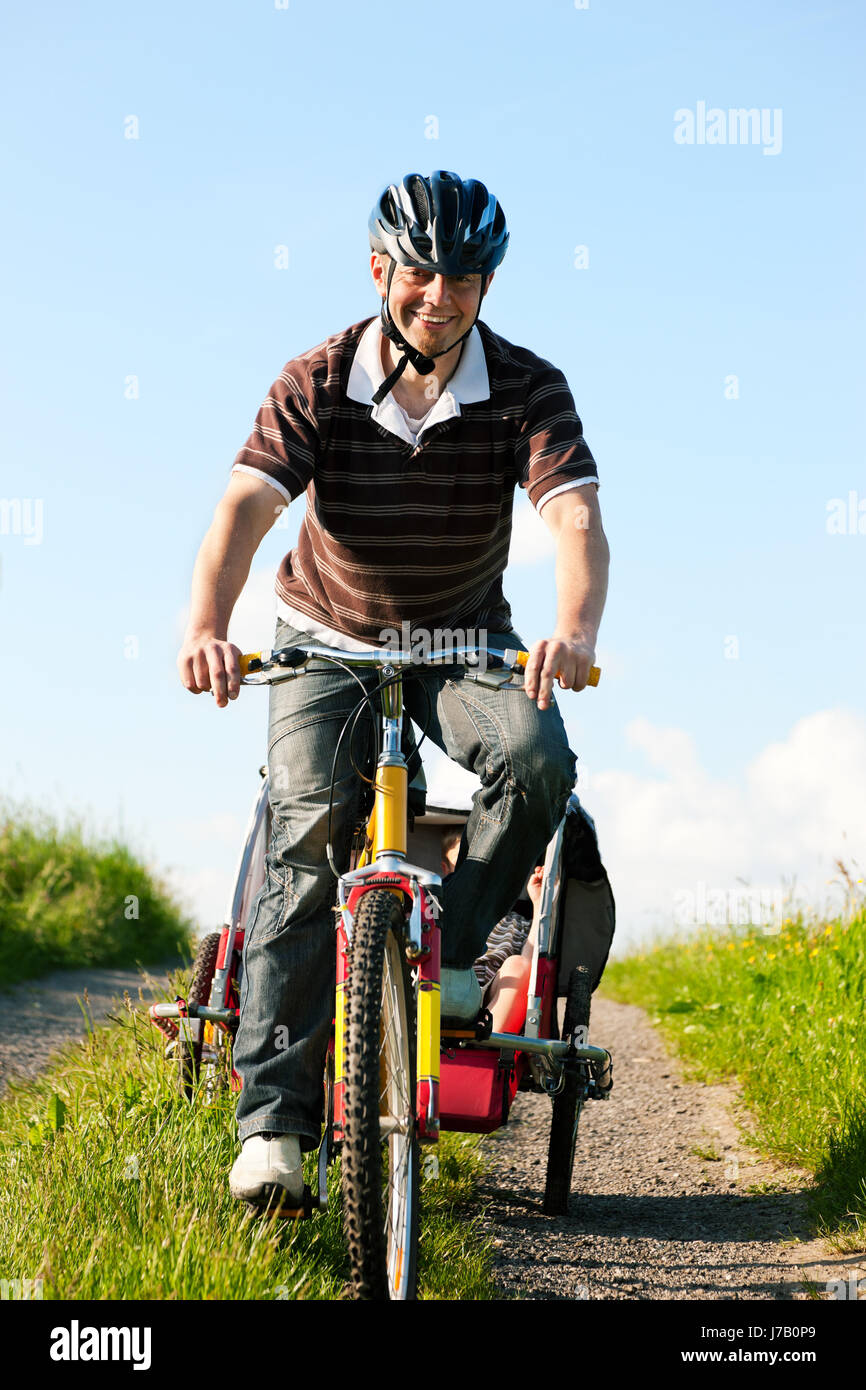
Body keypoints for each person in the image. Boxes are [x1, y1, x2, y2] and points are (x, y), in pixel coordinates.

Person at [176, 170, 610, 1208]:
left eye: (464, 275)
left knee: (536, 759)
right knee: (304, 829)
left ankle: (448, 954)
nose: (441, 293)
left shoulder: (524, 387)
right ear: (381, 271)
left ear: (485, 284)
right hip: (325, 638)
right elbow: (244, 508)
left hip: (462, 642)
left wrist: (576, 628)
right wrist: (205, 625)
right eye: (420, 270)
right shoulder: (318, 378)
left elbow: (575, 518)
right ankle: (273, 1131)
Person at [440, 827, 543, 1034]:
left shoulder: (515, 923)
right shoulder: (437, 910)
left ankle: (487, 1040)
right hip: (439, 987)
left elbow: (530, 969)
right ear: (446, 869)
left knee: (519, 965)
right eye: (464, 865)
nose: (475, 875)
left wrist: (539, 903)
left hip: (490, 1000)